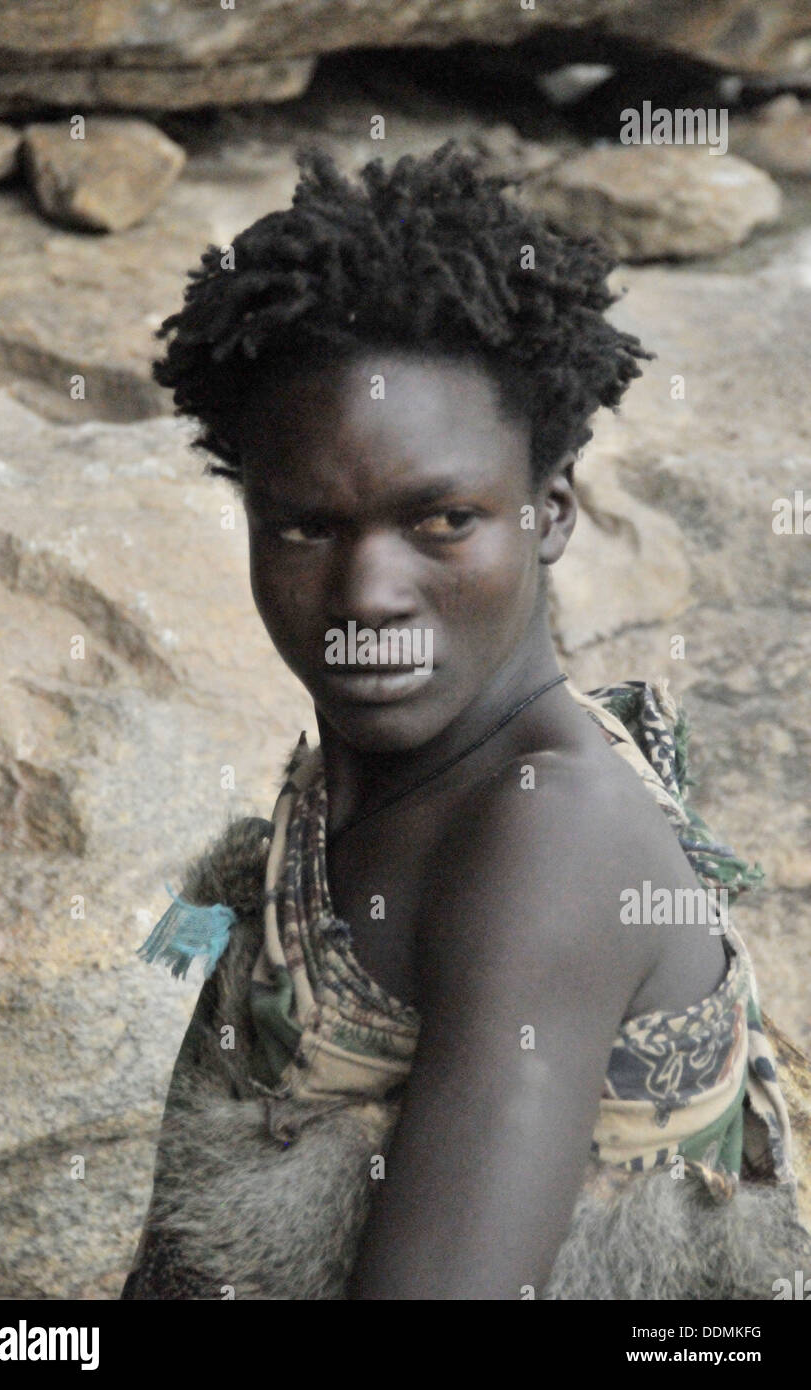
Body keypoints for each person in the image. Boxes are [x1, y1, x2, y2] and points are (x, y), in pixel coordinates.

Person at [120, 141, 809, 1300]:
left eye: (440, 520)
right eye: (304, 526)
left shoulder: (547, 838)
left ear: (547, 514)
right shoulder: (373, 779)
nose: (365, 594)